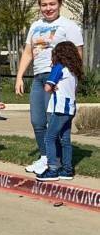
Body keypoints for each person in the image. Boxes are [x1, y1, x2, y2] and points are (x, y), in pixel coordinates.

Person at [15, 0, 83, 175]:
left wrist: (73, 84)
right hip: (38, 77)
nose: (48, 8)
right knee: (37, 121)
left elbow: (78, 56)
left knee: (52, 121)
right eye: (44, 5)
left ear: (60, 3)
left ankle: (58, 162)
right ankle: (46, 157)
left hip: (58, 79)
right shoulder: (35, 26)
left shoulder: (69, 26)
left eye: (52, 4)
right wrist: (19, 76)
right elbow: (28, 52)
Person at [36, 41, 83, 182]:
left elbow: (47, 88)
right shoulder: (73, 71)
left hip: (60, 108)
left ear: (58, 55)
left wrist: (51, 84)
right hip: (70, 108)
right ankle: (67, 170)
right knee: (65, 139)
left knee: (49, 138)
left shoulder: (58, 68)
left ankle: (52, 169)